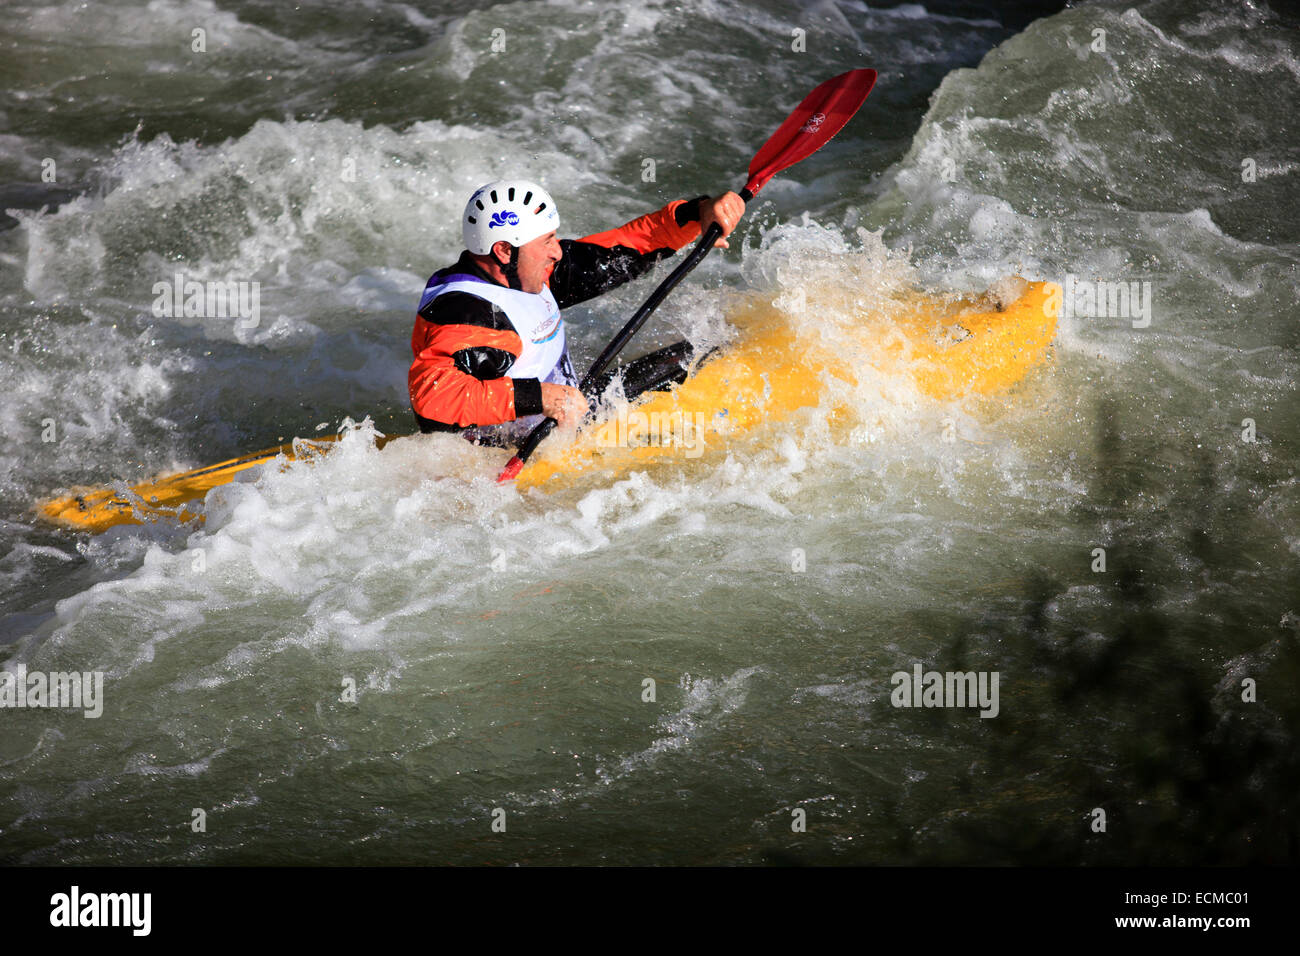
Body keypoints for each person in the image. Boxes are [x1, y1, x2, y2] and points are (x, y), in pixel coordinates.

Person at [408, 179, 745, 445]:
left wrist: (696, 217)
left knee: (700, 356)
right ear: (503, 251)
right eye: (547, 242)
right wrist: (542, 398)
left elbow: (620, 251)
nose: (557, 251)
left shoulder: (523, 274)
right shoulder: (469, 313)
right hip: (515, 455)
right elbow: (433, 399)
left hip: (570, 416)